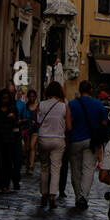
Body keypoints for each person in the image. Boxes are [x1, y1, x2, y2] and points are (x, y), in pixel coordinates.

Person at [68, 81, 108, 210]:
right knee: (88, 169)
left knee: (75, 170)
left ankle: (77, 196)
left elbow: (69, 123)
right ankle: (83, 197)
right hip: (92, 141)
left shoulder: (72, 104)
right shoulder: (98, 104)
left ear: (79, 89)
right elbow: (104, 123)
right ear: (90, 90)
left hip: (75, 139)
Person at [36, 81, 71, 210]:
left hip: (43, 138)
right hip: (58, 139)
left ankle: (43, 194)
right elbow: (69, 126)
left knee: (44, 167)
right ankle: (52, 196)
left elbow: (37, 122)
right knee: (56, 168)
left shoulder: (41, 105)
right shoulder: (64, 106)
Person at [0, 88, 21, 194]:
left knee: (7, 162)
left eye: (6, 98)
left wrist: (13, 119)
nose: (4, 100)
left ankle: (6, 185)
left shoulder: (12, 109)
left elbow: (16, 124)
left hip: (9, 139)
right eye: (3, 98)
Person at [24, 89, 39, 174]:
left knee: (32, 146)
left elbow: (40, 118)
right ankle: (27, 164)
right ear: (28, 97)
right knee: (27, 149)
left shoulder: (38, 107)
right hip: (26, 129)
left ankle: (31, 166)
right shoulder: (25, 106)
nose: (32, 98)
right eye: (30, 96)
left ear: (35, 97)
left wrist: (36, 122)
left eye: (33, 96)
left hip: (35, 129)